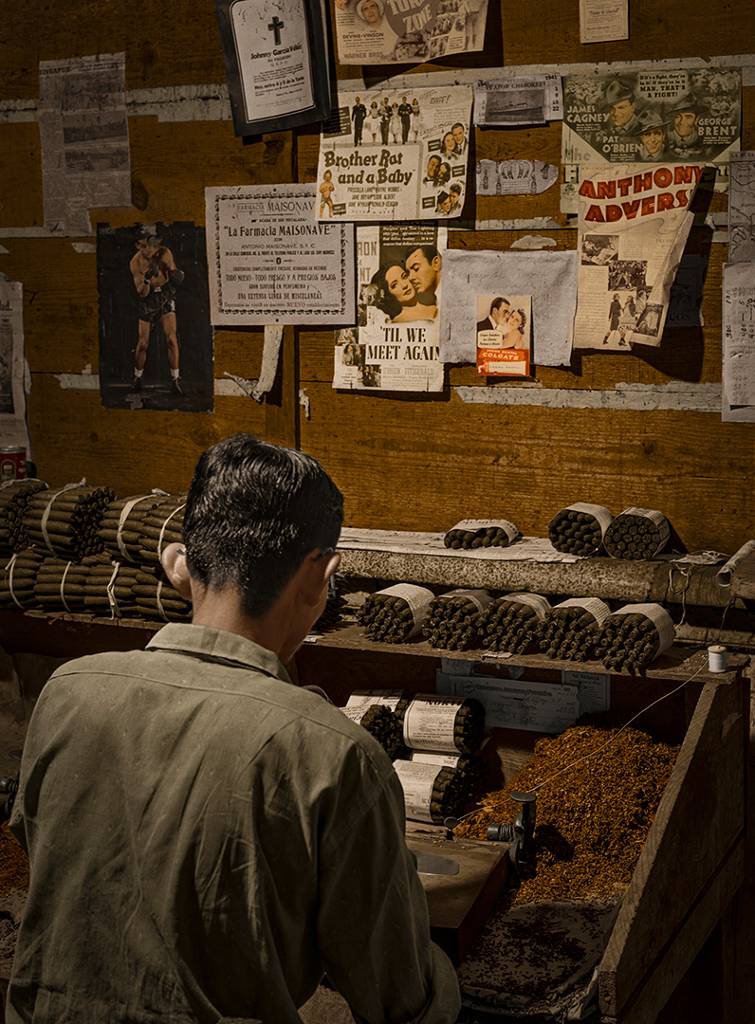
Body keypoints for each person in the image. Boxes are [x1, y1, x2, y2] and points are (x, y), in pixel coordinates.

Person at [6, 434, 461, 1024]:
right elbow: (399, 994)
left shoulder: (67, 693)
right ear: (320, 578)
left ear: (180, 564)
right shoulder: (335, 754)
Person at [129, 229, 185, 395]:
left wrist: (175, 273)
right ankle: (137, 377)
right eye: (146, 246)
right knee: (142, 344)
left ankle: (175, 380)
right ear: (138, 246)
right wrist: (147, 278)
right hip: (148, 300)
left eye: (152, 244)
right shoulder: (135, 263)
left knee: (171, 339)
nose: (151, 249)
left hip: (166, 295)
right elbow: (142, 293)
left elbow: (177, 276)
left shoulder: (164, 252)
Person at [667, 93, 709, 158]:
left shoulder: (702, 139)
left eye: (688, 117)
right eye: (677, 117)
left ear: (696, 119)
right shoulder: (666, 138)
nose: (681, 122)